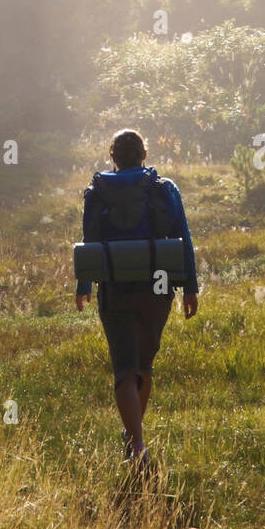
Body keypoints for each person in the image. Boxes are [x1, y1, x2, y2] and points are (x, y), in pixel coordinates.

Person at [76, 128, 199, 466]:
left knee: (124, 368)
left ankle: (136, 445)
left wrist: (84, 286)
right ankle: (135, 442)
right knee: (143, 365)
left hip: (115, 286)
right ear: (144, 156)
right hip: (158, 286)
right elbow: (183, 238)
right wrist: (190, 288)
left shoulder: (96, 193)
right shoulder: (164, 189)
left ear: (112, 157)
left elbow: (90, 242)